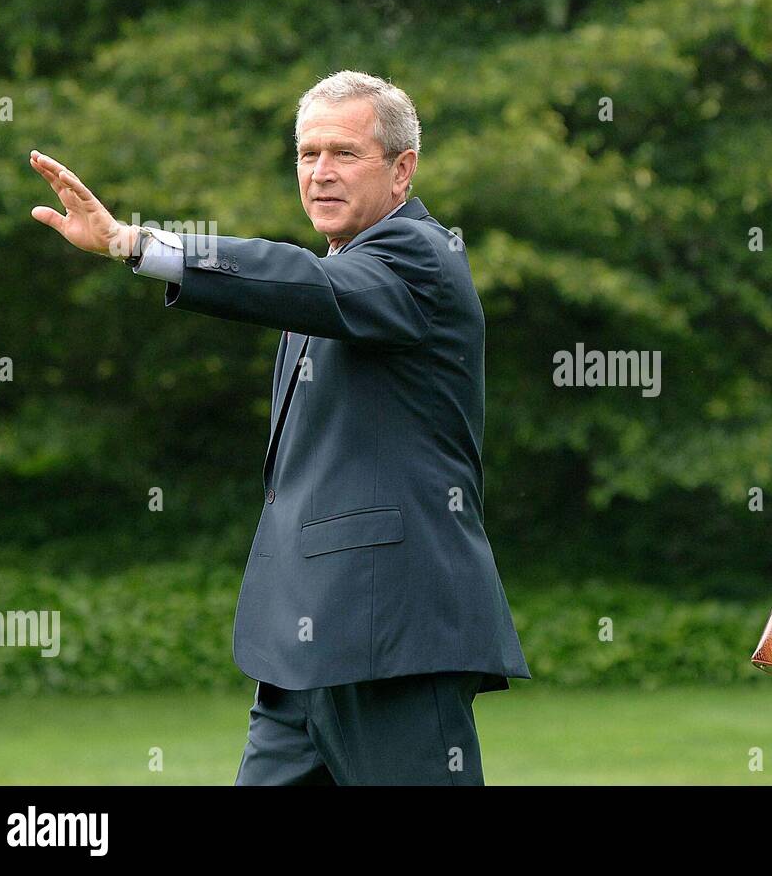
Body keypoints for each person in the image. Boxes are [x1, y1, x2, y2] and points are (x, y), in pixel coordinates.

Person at [29, 70, 529, 785]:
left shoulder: (421, 258)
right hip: (302, 654)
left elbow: (295, 279)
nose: (320, 172)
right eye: (306, 153)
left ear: (402, 169)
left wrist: (136, 244)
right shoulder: (339, 273)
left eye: (344, 154)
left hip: (391, 638)